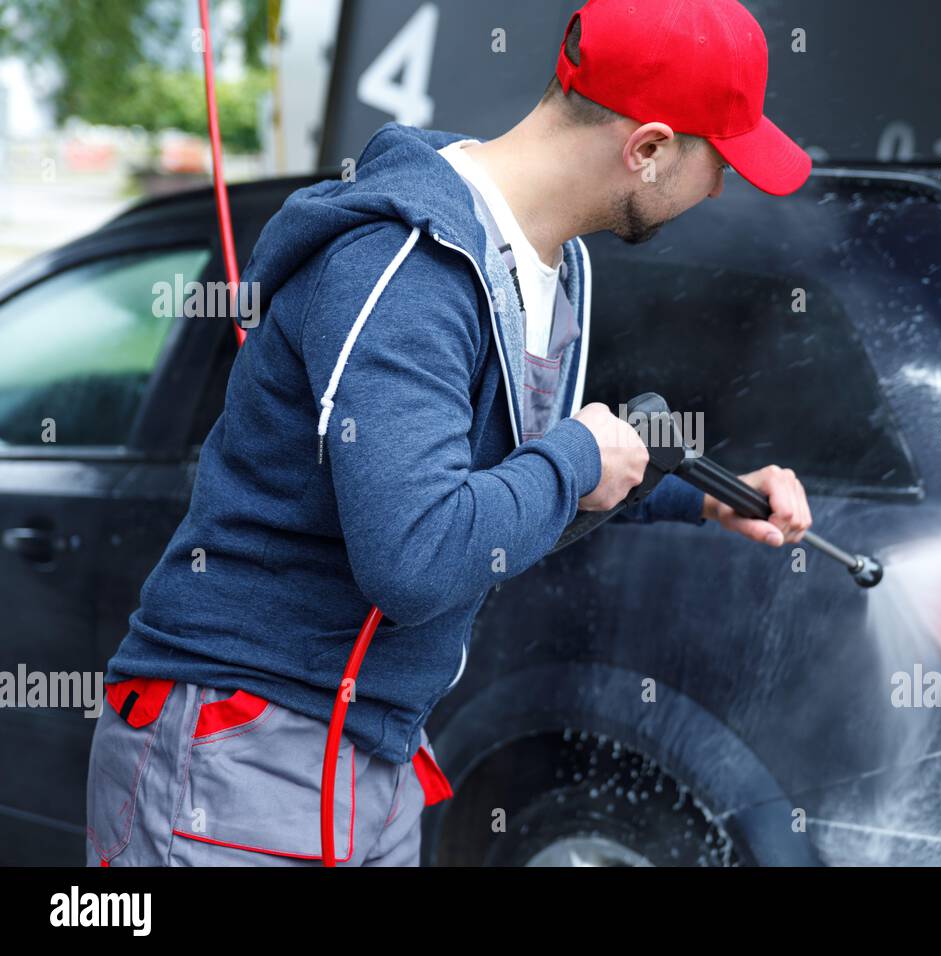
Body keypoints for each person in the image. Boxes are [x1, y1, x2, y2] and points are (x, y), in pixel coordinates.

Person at [85, 0, 814, 866]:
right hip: (243, 746)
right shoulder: (408, 267)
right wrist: (580, 456)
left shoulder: (555, 268)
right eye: (718, 158)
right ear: (649, 148)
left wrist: (687, 492)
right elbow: (417, 555)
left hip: (377, 749)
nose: (723, 186)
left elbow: (504, 489)